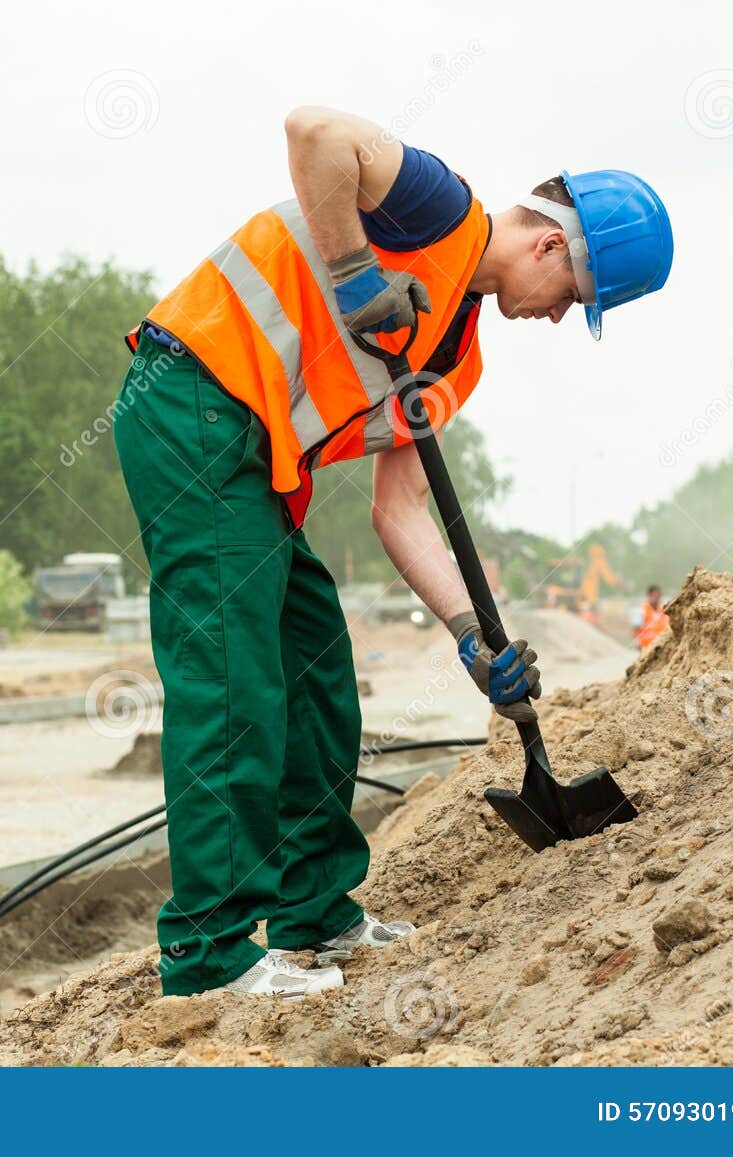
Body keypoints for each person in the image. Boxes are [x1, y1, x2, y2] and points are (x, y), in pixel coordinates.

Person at [113, 106, 673, 998]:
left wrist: (471, 636)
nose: (563, 318)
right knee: (234, 677)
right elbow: (311, 132)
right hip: (192, 395)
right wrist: (352, 274)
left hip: (250, 455)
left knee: (320, 673)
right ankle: (209, 952)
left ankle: (316, 913)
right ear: (549, 249)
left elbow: (404, 509)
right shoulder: (436, 209)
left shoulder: (457, 356)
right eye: (576, 298)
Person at [635, 585, 669, 649]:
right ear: (649, 596)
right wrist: (638, 644)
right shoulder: (642, 610)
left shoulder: (664, 610)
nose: (657, 599)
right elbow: (635, 628)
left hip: (661, 646)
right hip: (646, 646)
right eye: (655, 596)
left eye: (659, 596)